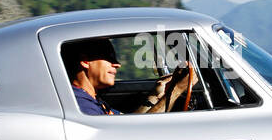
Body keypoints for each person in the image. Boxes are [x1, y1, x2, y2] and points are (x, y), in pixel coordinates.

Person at [63, 38, 196, 115]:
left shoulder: (92, 99)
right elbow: (135, 135)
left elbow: (131, 123)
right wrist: (177, 90)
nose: (117, 65)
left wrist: (155, 96)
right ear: (85, 61)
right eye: (109, 58)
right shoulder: (81, 106)